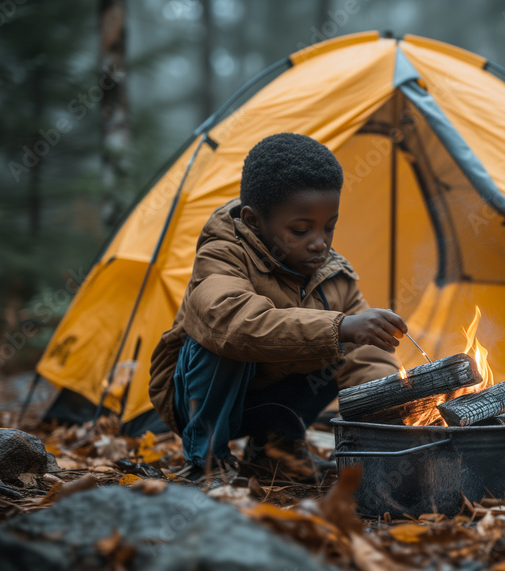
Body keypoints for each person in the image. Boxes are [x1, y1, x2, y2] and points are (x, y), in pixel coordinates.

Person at [149, 132, 407, 484]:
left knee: (346, 346)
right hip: (194, 400)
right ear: (255, 221)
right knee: (226, 339)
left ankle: (274, 453)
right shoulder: (222, 254)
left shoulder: (334, 277)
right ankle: (207, 463)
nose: (320, 243)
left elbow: (366, 361)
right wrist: (340, 327)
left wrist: (394, 413)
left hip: (264, 401)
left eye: (329, 227)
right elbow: (230, 321)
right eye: (300, 230)